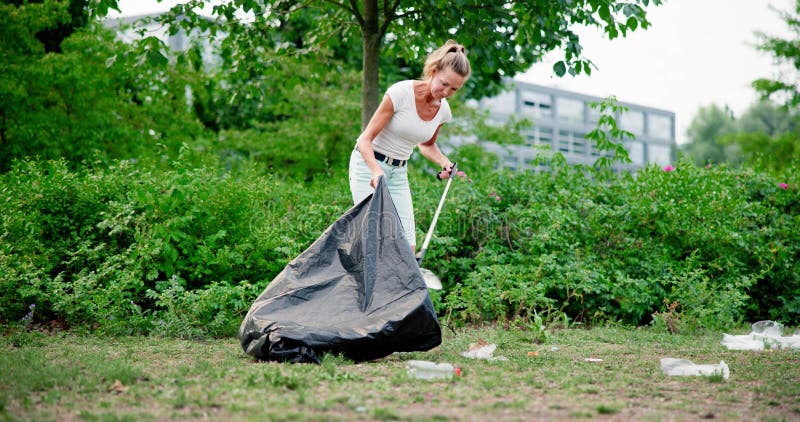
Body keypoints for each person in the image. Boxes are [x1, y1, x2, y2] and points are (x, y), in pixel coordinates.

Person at [349, 39, 471, 253]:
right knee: (375, 241)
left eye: (454, 89)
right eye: (444, 84)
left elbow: (427, 145)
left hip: (398, 173)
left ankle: (397, 287)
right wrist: (376, 172)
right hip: (368, 167)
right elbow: (364, 139)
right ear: (433, 71)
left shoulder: (443, 111)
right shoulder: (400, 93)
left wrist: (445, 163)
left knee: (408, 246)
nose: (446, 92)